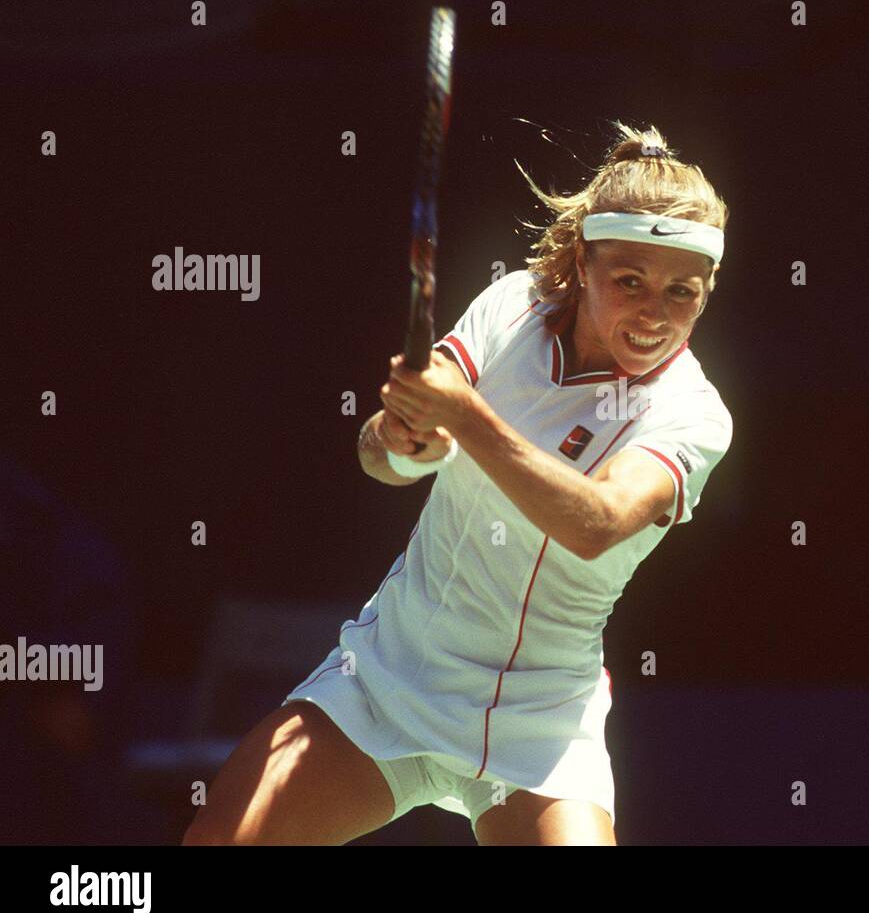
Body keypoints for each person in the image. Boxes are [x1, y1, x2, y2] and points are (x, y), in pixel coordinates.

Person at [182, 122, 733, 845]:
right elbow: (381, 456)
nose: (654, 313)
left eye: (682, 292)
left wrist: (464, 418)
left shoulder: (693, 414)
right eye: (629, 281)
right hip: (390, 678)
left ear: (707, 290)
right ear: (582, 260)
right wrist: (402, 441)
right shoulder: (512, 305)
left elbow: (596, 523)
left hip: (539, 722)